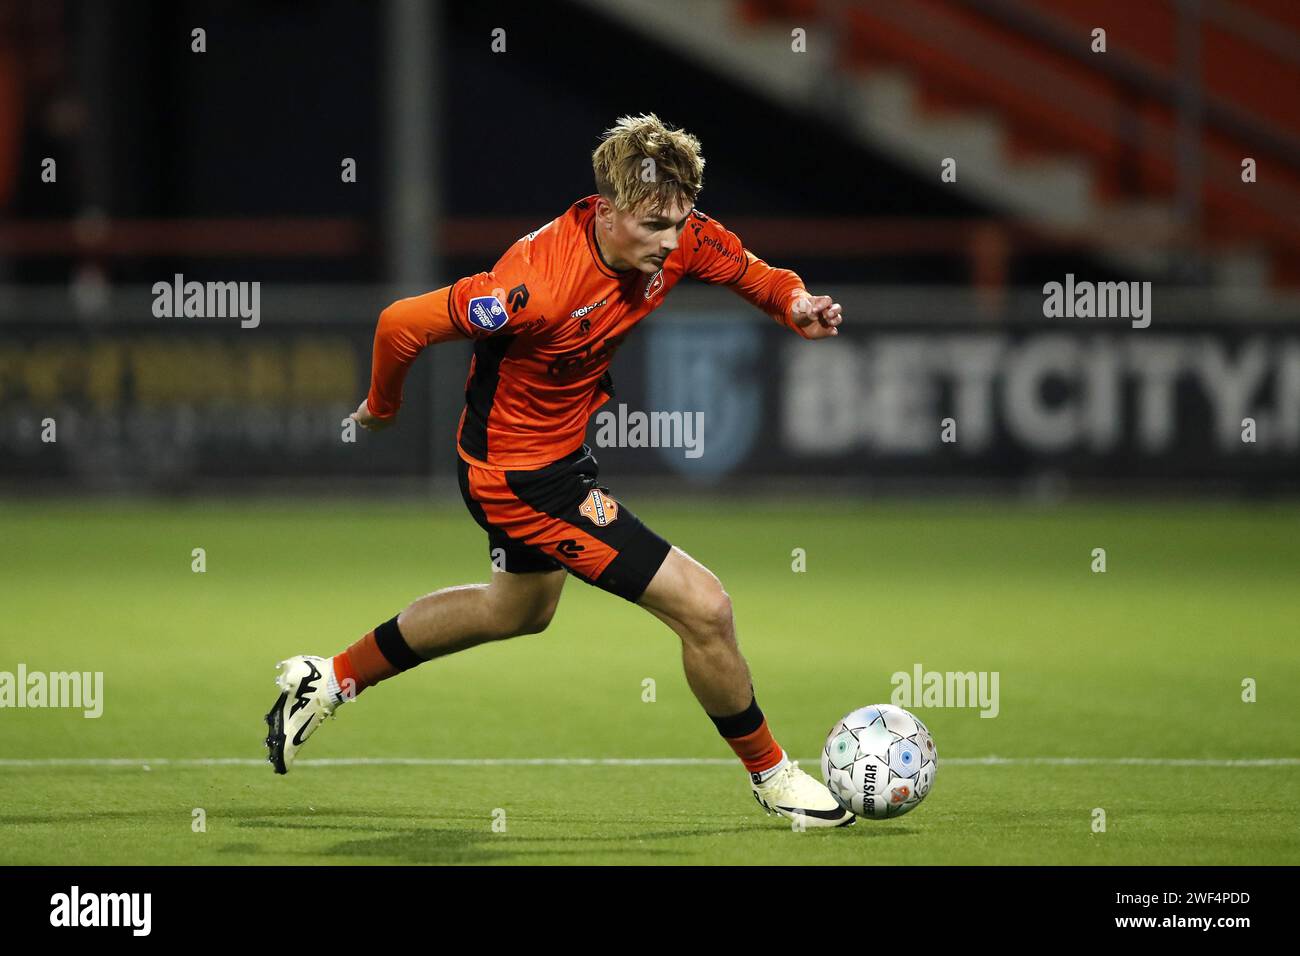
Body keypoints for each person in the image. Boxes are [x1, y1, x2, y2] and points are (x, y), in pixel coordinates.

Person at [264, 113, 850, 826]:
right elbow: (401, 324)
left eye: (680, 223)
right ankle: (774, 777)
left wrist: (796, 304)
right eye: (655, 226)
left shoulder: (677, 231)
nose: (672, 244)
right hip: (517, 478)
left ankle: (328, 680)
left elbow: (753, 273)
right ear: (607, 212)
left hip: (555, 457)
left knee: (515, 611)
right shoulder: (535, 286)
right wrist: (382, 410)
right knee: (706, 607)